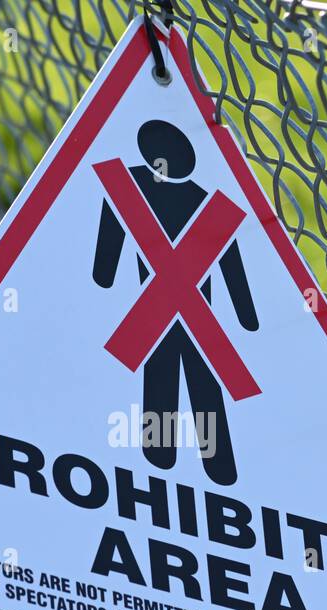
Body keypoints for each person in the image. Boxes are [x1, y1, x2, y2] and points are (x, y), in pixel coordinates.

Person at [92, 119, 257, 486]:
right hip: (200, 310)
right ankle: (217, 465)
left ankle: (160, 458)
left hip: (157, 311)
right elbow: (231, 261)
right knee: (202, 380)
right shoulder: (202, 198)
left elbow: (106, 261)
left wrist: (104, 274)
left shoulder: (128, 187)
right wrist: (246, 316)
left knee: (162, 374)